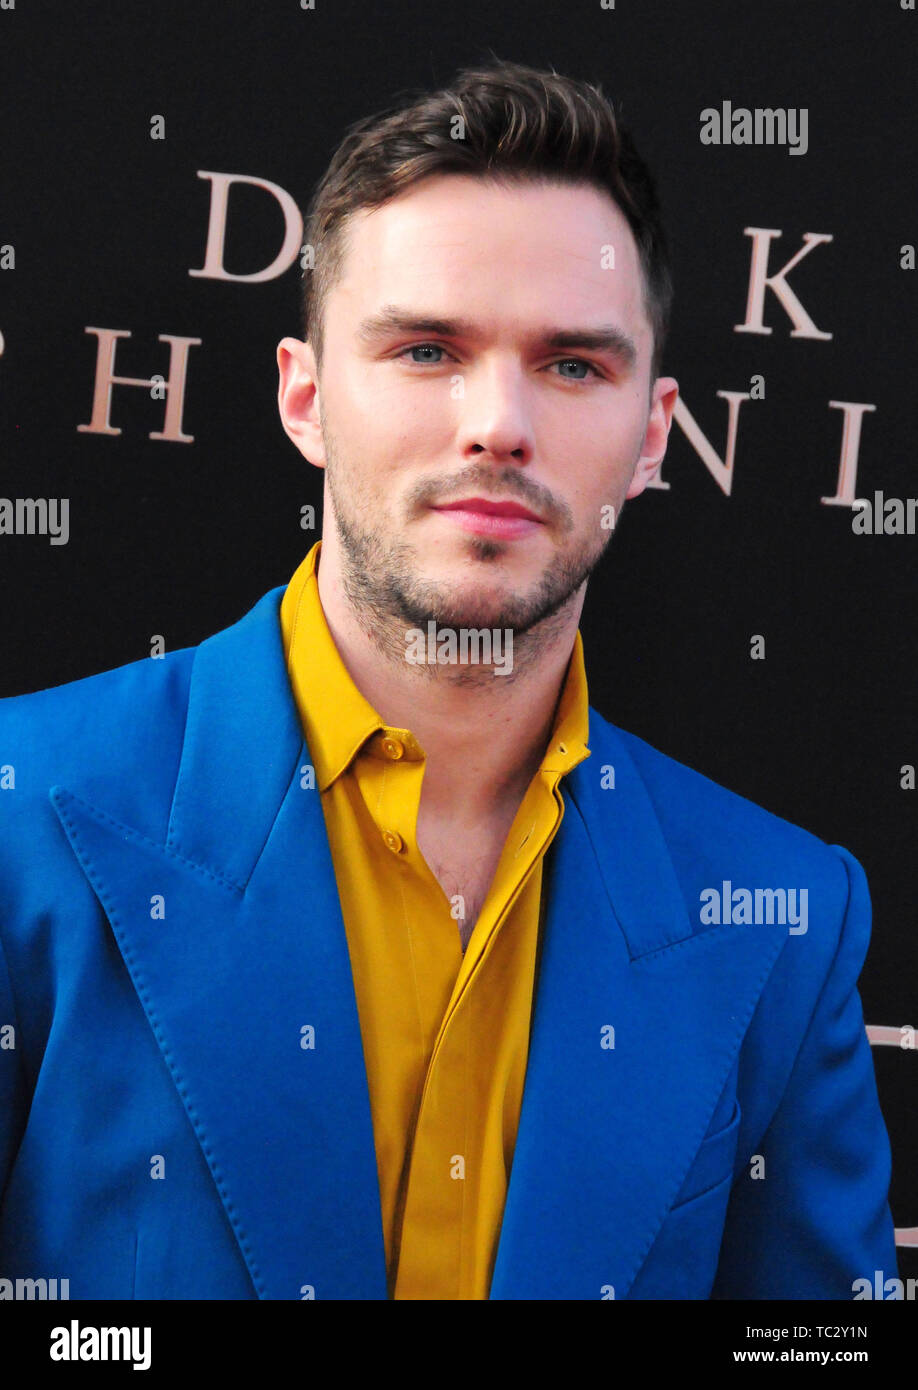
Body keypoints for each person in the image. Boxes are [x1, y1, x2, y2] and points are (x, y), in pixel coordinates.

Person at [0, 59, 897, 1301]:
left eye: (573, 364)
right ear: (306, 398)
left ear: (651, 436)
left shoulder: (783, 919)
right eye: (427, 350)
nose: (498, 423)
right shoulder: (20, 817)